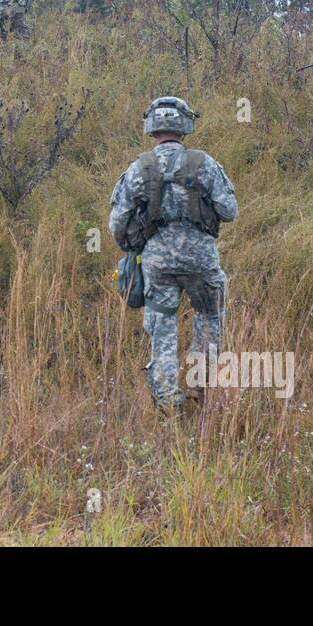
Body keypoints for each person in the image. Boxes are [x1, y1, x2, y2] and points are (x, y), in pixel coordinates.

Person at [109, 97, 238, 408]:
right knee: (209, 317)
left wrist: (133, 246)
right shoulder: (204, 163)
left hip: (157, 263)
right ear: (185, 126)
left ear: (152, 127)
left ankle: (167, 397)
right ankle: (199, 384)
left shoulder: (140, 168)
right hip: (201, 260)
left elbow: (118, 223)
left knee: (162, 327)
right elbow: (229, 210)